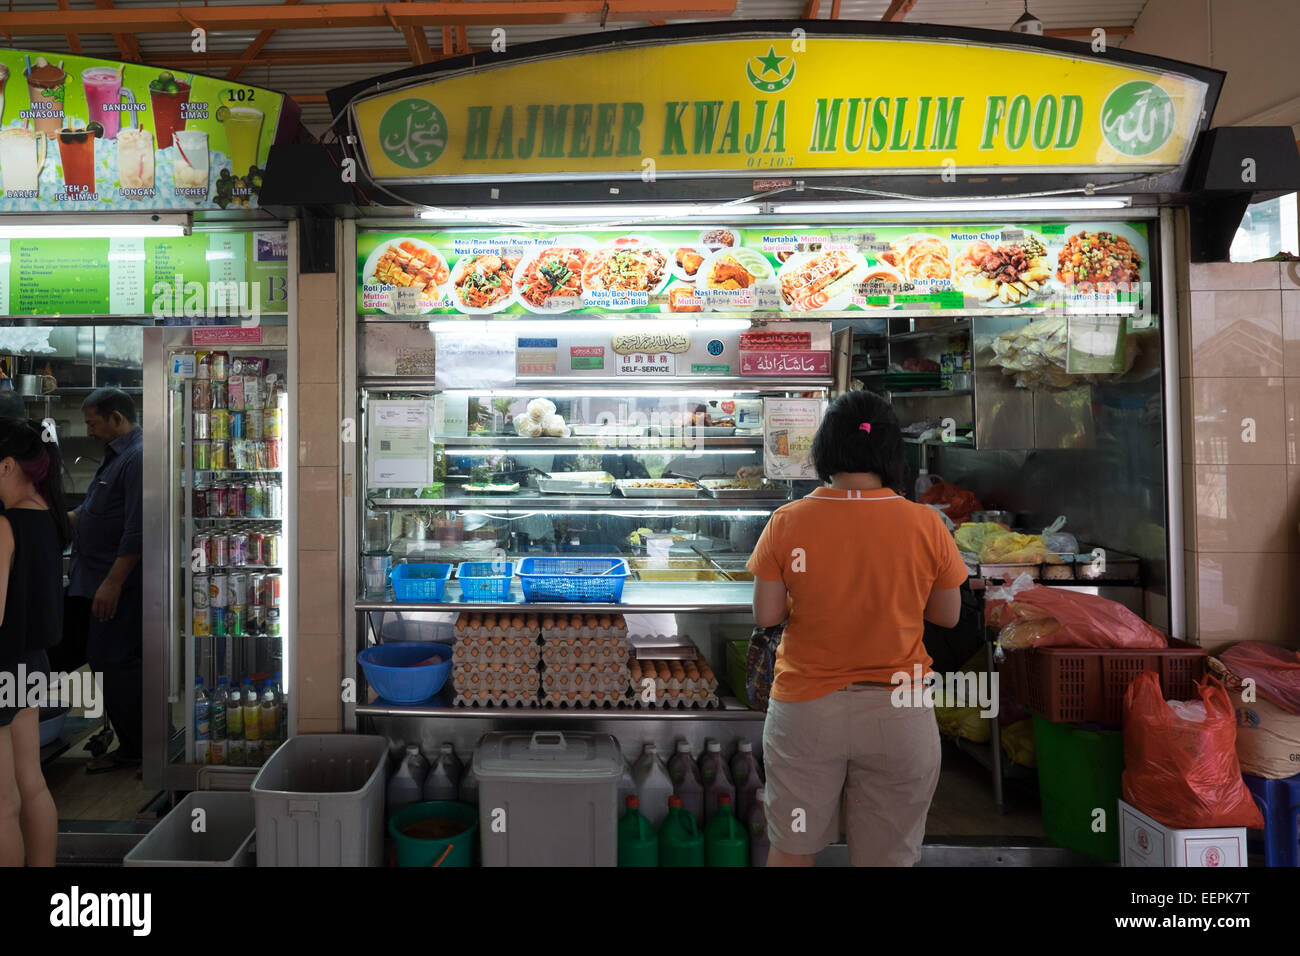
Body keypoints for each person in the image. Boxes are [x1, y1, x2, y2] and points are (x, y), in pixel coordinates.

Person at [746, 389, 966, 867]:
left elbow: (766, 615)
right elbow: (947, 615)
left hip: (807, 710)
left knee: (793, 847)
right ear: (891, 452)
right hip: (899, 714)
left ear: (826, 448)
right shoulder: (925, 524)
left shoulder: (788, 520)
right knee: (887, 857)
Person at [0, 417, 71, 866]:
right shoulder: (49, 516)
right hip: (31, 662)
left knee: (1, 802)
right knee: (33, 783)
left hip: (2, 662)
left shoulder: (5, 525)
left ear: (7, 466)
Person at [67, 388, 142, 774]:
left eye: (92, 423)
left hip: (118, 584)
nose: (89, 431)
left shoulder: (137, 457)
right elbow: (92, 508)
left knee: (114, 661)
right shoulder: (115, 457)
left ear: (116, 418)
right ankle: (138, 743)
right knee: (107, 660)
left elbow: (135, 529)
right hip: (96, 577)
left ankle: (138, 747)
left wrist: (113, 582)